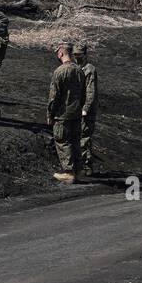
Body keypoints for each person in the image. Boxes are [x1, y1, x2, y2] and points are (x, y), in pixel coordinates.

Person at [46, 43, 87, 183]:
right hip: (76, 112)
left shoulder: (60, 71)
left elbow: (54, 97)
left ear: (61, 53)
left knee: (63, 141)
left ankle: (68, 172)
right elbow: (84, 93)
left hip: (62, 114)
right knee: (75, 141)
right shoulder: (79, 70)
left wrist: (50, 114)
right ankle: (78, 171)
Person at [74, 42, 96, 175]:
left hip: (86, 109)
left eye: (79, 55)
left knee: (84, 136)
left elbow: (90, 91)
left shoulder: (89, 69)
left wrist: (86, 108)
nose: (77, 57)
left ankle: (86, 166)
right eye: (75, 55)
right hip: (75, 107)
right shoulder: (74, 67)